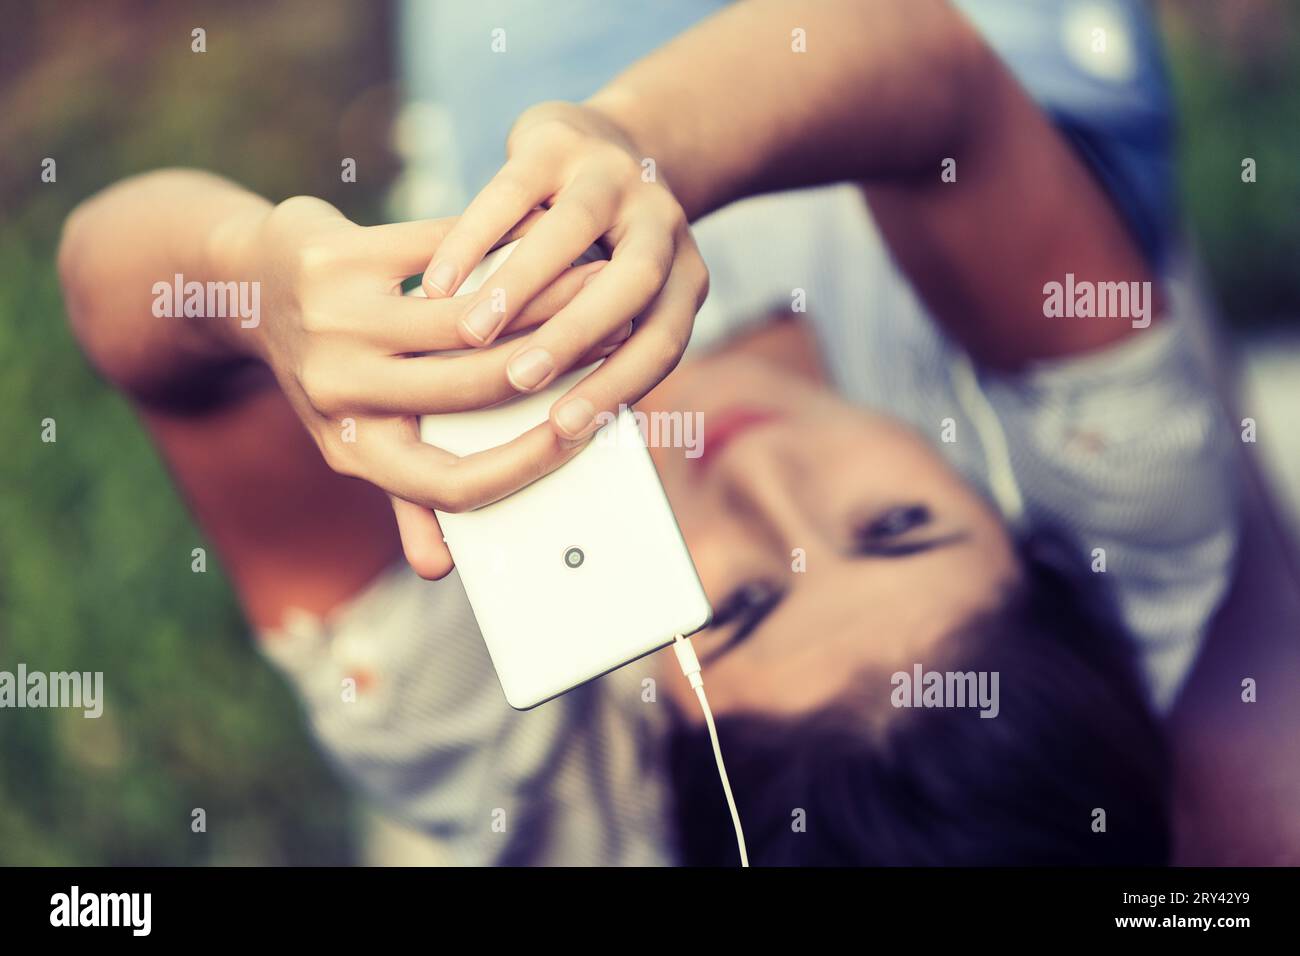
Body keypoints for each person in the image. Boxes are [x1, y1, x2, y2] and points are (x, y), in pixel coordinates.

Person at [58, 0, 1237, 864]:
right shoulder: (1126, 533)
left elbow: (122, 300)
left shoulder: (490, 747)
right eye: (893, 525)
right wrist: (630, 140)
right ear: (1026, 543)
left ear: (645, 744)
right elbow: (940, 85)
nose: (766, 478)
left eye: (738, 609)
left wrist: (250, 281)